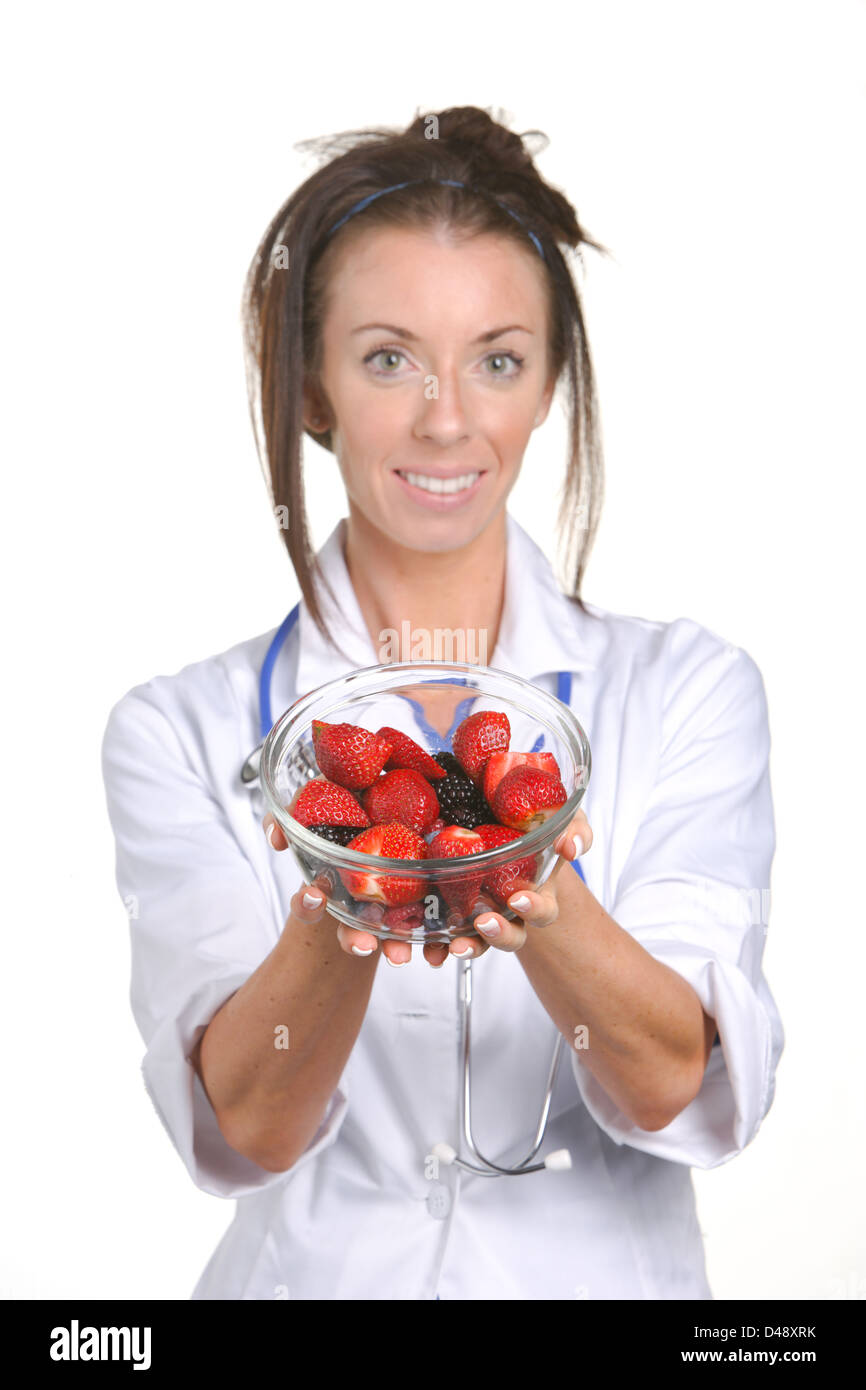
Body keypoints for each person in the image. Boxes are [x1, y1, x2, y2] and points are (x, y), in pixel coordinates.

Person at [101, 105, 784, 1300]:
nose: (446, 418)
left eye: (497, 359)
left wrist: (526, 880)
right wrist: (347, 887)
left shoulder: (683, 693)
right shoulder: (179, 730)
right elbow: (246, 1122)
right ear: (307, 385)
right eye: (386, 357)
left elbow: (670, 1080)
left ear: (547, 384)